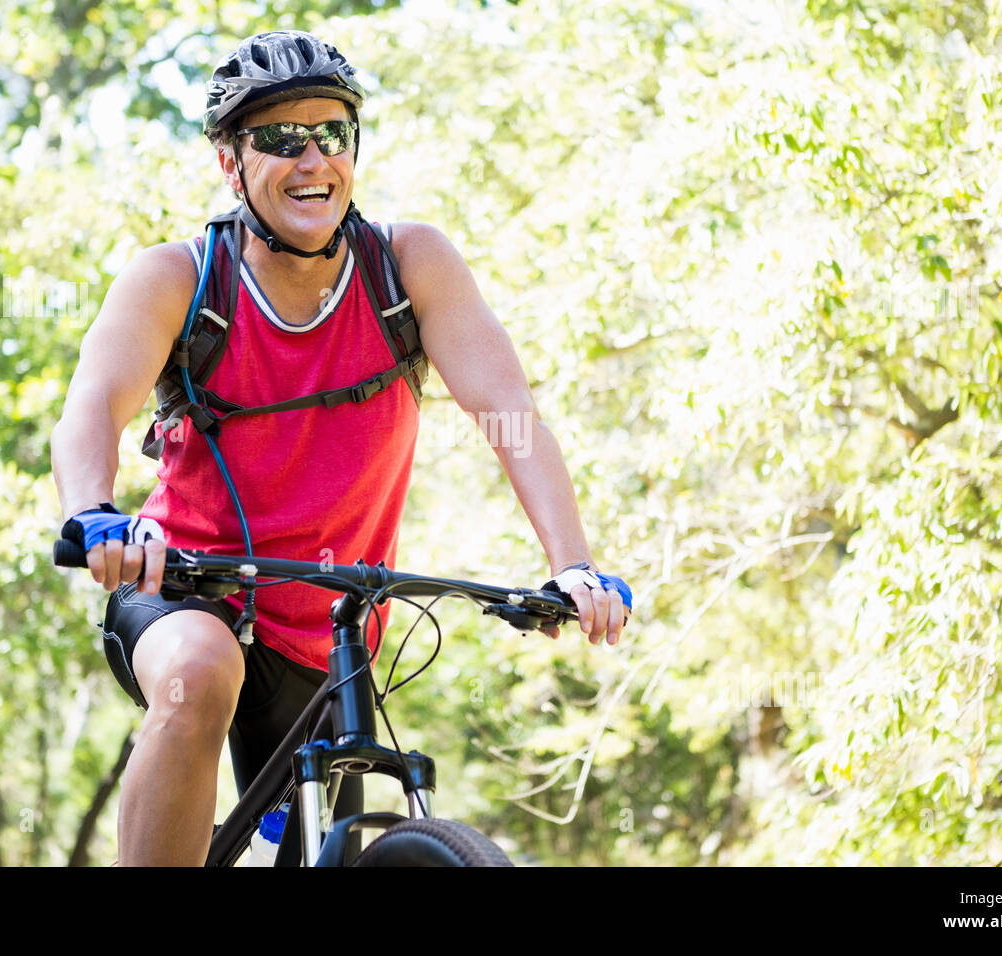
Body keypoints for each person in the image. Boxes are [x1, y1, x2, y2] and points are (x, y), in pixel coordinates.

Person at [50, 30, 631, 866]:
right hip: (185, 588)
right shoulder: (180, 280)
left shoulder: (408, 267)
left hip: (331, 629)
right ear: (230, 163)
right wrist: (96, 515)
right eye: (281, 140)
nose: (312, 157)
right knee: (201, 671)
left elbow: (509, 413)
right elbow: (92, 409)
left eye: (333, 134)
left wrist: (572, 563)